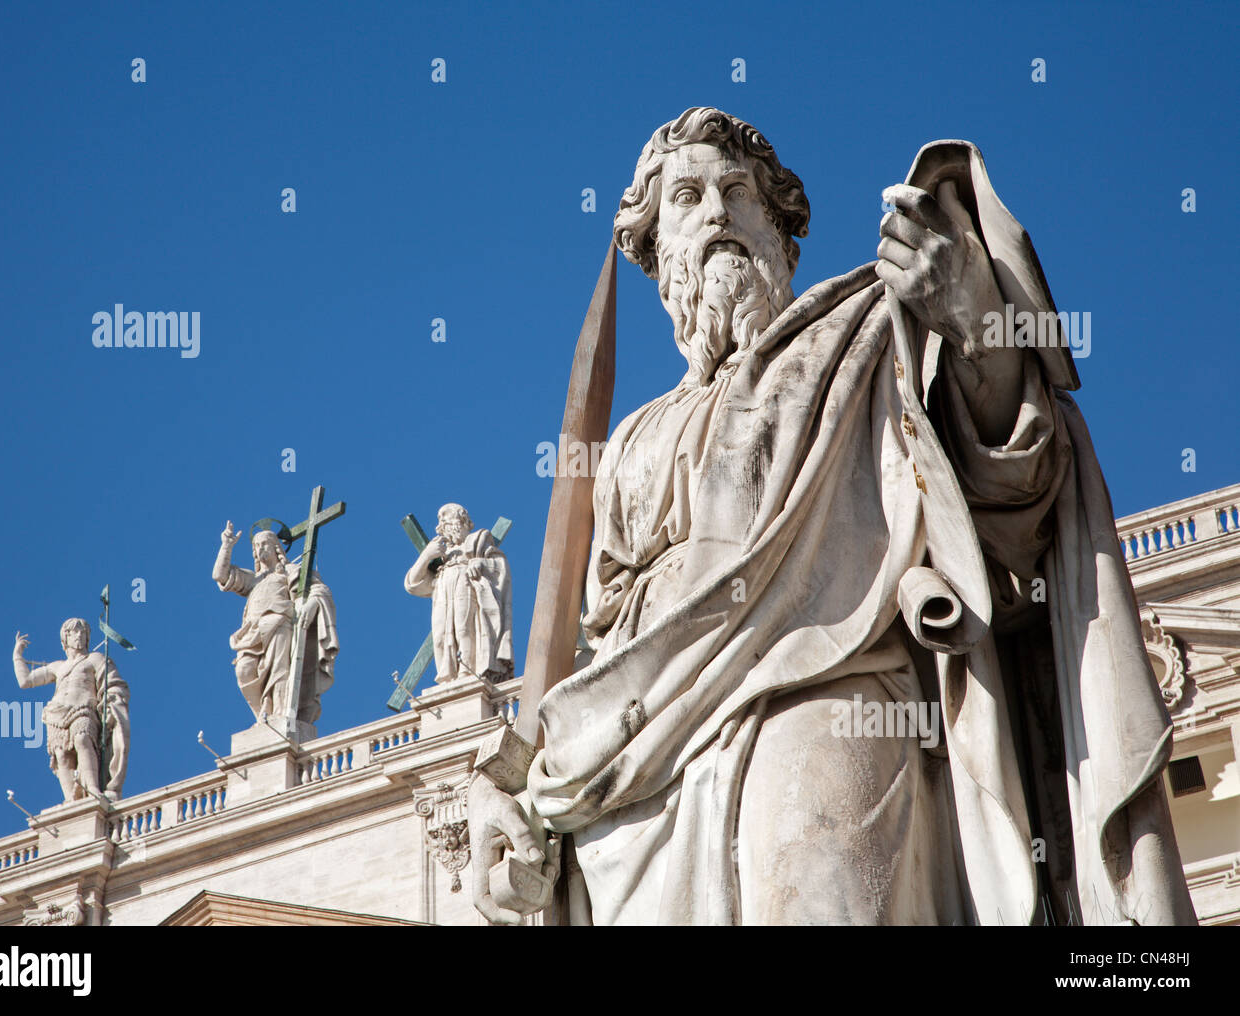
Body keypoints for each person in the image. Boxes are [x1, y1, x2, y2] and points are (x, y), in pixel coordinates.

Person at [469, 107, 1196, 926]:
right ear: (657, 253)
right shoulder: (632, 438)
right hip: (635, 781)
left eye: (738, 192)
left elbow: (1015, 474)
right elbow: (592, 651)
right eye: (686, 198)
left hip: (825, 691)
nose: (716, 212)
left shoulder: (862, 338)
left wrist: (969, 320)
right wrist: (515, 791)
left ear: (781, 232)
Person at [213, 521, 338, 727]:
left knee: (280, 673)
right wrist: (226, 546)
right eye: (256, 546)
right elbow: (220, 575)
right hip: (252, 632)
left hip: (280, 624)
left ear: (276, 548)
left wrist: (310, 604)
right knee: (244, 670)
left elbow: (319, 589)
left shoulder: (289, 570)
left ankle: (278, 716)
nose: (259, 549)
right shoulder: (254, 579)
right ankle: (262, 717)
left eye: (264, 544)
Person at [13, 618, 129, 802]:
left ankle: (92, 788)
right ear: (64, 639)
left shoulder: (95, 659)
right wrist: (17, 655)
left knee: (83, 740)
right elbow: (25, 681)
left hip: (83, 708)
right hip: (56, 714)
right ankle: (71, 801)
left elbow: (113, 683)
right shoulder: (57, 666)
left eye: (83, 632)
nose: (79, 635)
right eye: (73, 632)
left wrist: (112, 699)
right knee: (62, 755)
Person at [405, 503, 514, 683]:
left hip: (465, 584)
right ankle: (447, 676)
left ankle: (466, 671)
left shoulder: (478, 540)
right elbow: (412, 584)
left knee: (464, 629)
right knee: (440, 636)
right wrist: (426, 556)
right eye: (442, 521)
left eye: (450, 518)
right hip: (442, 589)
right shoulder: (439, 553)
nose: (445, 522)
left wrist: (479, 563)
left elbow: (500, 565)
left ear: (463, 522)